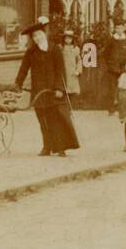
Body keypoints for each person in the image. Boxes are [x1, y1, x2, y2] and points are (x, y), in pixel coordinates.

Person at [14, 17, 81, 157]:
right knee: (43, 120)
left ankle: (61, 147)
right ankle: (47, 147)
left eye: (39, 34)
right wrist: (17, 84)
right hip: (39, 91)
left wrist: (59, 89)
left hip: (53, 91)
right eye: (34, 36)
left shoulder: (54, 49)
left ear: (44, 34)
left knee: (57, 119)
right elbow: (23, 69)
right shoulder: (31, 51)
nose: (37, 38)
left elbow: (60, 70)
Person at [103, 24, 126, 115]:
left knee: (124, 88)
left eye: (121, 28)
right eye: (117, 28)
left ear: (124, 28)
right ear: (115, 29)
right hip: (113, 69)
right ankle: (111, 109)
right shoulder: (111, 40)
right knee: (112, 89)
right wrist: (110, 64)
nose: (119, 30)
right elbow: (105, 54)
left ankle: (122, 109)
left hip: (123, 69)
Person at [60, 30, 82, 97]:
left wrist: (78, 70)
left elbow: (79, 61)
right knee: (63, 89)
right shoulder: (61, 48)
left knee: (72, 91)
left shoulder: (76, 49)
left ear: (72, 39)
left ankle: (72, 104)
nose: (67, 40)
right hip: (64, 71)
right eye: (66, 38)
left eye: (69, 38)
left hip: (72, 72)